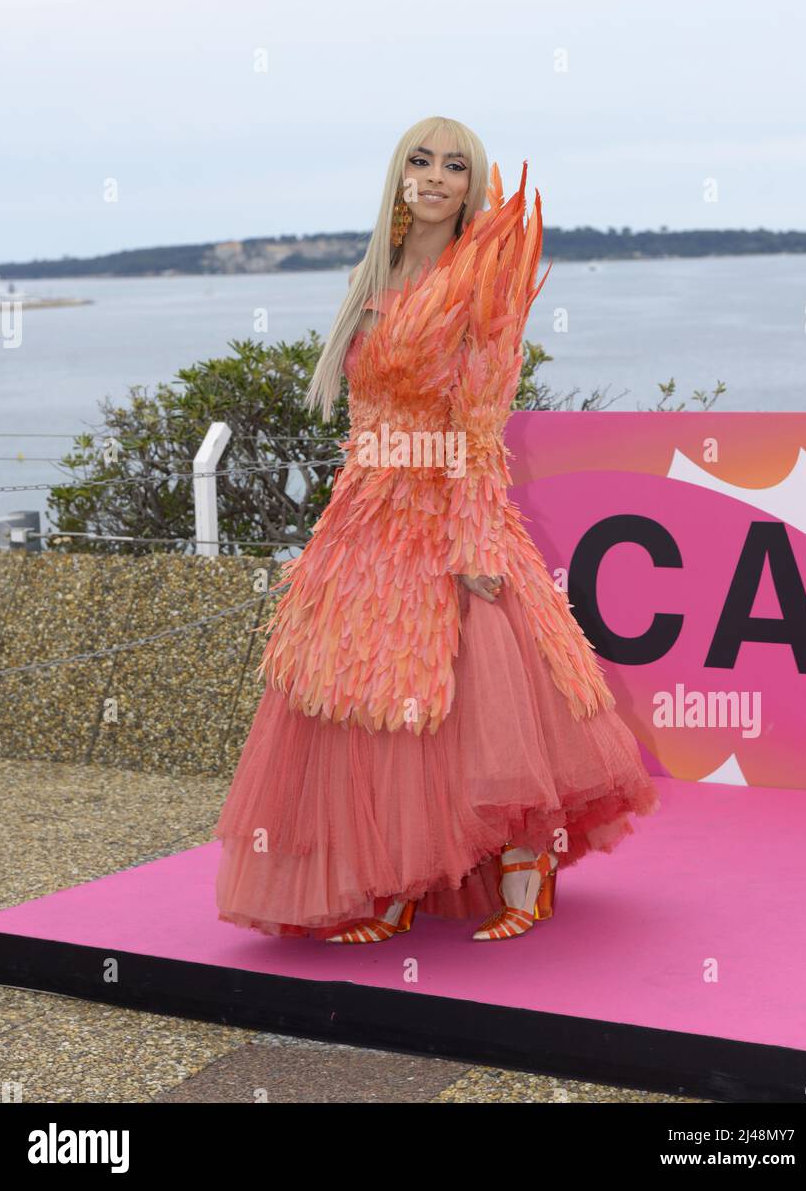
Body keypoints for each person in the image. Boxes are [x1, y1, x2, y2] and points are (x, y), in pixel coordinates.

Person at [213, 115, 660, 943]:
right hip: (363, 510)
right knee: (357, 694)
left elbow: (480, 423)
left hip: (445, 507)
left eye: (455, 165)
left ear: (471, 185)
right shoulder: (370, 277)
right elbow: (362, 410)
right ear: (397, 175)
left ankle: (523, 871)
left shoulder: (478, 279)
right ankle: (388, 875)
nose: (434, 175)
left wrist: (472, 539)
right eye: (419, 160)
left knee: (480, 692)